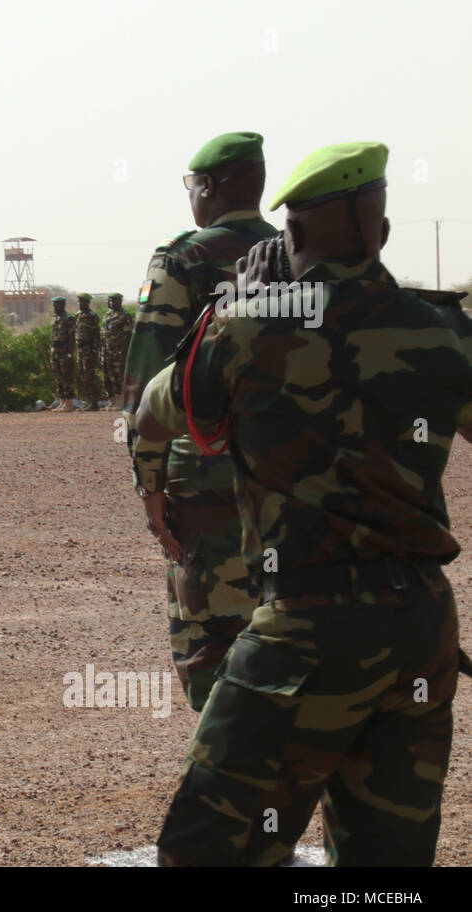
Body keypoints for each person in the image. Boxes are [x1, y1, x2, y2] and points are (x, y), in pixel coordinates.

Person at [137, 141, 472, 866]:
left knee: (204, 852)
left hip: (306, 632)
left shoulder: (245, 328)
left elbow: (157, 411)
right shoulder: (444, 330)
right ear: (382, 232)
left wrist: (236, 306)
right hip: (420, 628)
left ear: (289, 235)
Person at [123, 131, 279, 712]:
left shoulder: (183, 258)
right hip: (295, 477)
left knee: (212, 642)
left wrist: (149, 484)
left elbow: (148, 384)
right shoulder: (300, 251)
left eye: (192, 185)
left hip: (207, 478)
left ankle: (229, 754)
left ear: (209, 186)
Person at [100, 293, 132, 404]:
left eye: (115, 300)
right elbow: (103, 333)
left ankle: (122, 401)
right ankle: (112, 400)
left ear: (120, 301)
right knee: (109, 376)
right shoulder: (107, 315)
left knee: (119, 376)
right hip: (107, 351)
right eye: (111, 300)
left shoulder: (125, 315)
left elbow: (128, 335)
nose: (112, 303)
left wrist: (123, 353)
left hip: (118, 351)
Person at [73, 292, 102, 410]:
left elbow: (96, 335)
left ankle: (93, 402)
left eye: (82, 302)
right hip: (80, 349)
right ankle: (88, 401)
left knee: (90, 376)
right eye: (79, 301)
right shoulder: (78, 315)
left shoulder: (92, 316)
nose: (80, 304)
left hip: (89, 349)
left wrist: (94, 350)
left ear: (88, 302)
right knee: (83, 376)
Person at [49, 295, 76, 412]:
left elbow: (71, 337)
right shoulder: (55, 317)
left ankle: (69, 403)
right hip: (55, 351)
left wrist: (70, 354)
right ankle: (62, 401)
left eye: (57, 305)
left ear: (63, 305)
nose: (55, 307)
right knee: (58, 377)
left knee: (66, 377)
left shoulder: (68, 318)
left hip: (64, 351)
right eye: (54, 305)